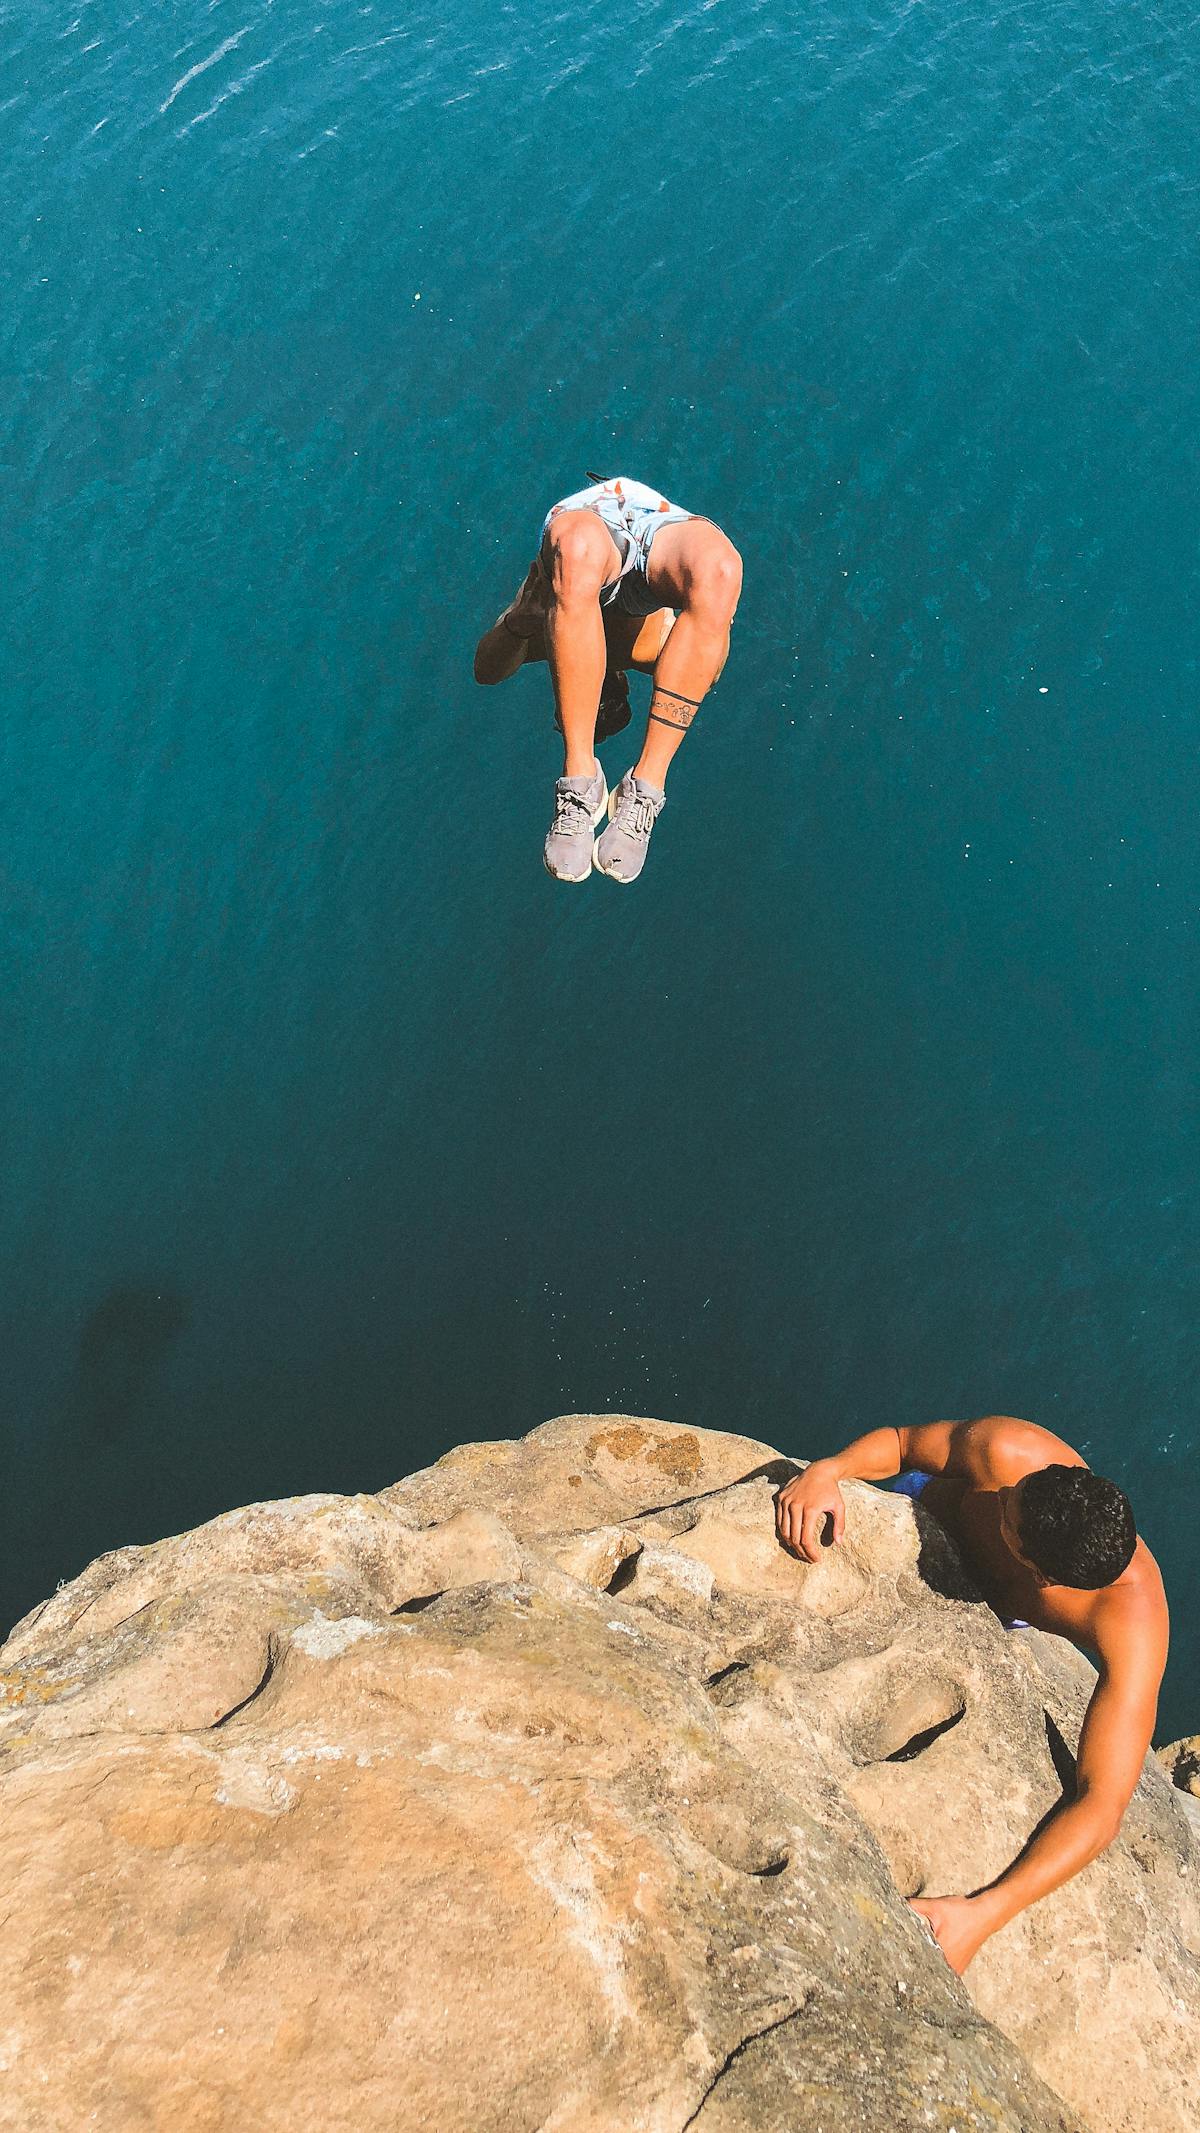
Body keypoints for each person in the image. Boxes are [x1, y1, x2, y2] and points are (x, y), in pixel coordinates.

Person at [774, 1413, 1169, 1976]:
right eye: (1017, 1492)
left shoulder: (1130, 1624)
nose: (1004, 1493)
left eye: (1008, 1514)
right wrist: (828, 1470)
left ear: (1042, 1577)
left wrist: (984, 1913)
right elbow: (905, 1444)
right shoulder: (1012, 1452)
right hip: (919, 1511)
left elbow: (1102, 1803)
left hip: (995, 1610)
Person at [473, 475, 742, 885]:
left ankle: (579, 780)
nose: (593, 693)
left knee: (577, 550)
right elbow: (708, 664)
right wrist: (712, 617)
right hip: (658, 531)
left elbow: (486, 670)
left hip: (584, 534)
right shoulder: (653, 652)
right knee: (722, 570)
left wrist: (517, 623)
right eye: (607, 701)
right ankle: (647, 787)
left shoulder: (552, 636)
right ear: (622, 684)